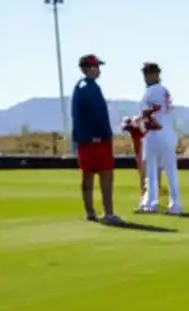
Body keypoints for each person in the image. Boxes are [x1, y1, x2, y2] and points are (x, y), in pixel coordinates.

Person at [70, 54, 123, 225]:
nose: (98, 70)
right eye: (95, 67)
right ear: (86, 68)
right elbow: (95, 116)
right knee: (105, 175)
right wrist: (98, 135)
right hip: (97, 140)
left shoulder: (80, 87)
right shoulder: (90, 88)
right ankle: (108, 213)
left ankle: (90, 212)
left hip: (84, 140)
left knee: (88, 175)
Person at [137, 62, 182, 215]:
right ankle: (175, 205)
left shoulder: (152, 91)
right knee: (170, 172)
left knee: (151, 170)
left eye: (149, 73)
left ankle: (151, 203)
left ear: (155, 74)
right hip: (167, 134)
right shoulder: (163, 90)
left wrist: (137, 120)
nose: (146, 76)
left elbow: (150, 113)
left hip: (155, 134)